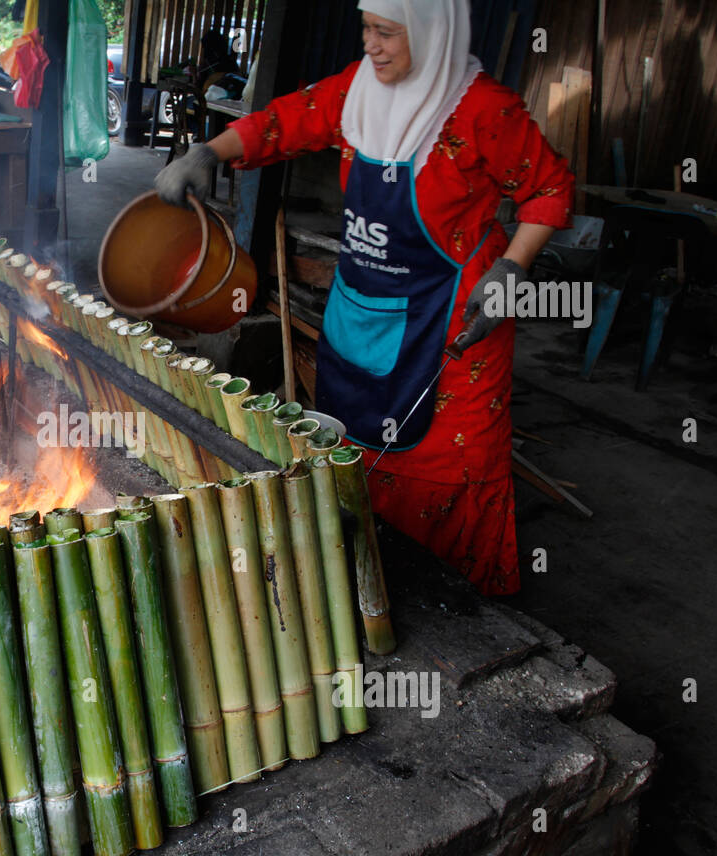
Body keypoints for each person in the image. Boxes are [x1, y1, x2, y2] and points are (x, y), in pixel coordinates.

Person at [154, 0, 574, 596]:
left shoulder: (483, 109)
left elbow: (549, 186)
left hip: (453, 323)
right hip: (365, 307)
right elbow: (285, 120)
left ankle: (456, 605)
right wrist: (209, 152)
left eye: (386, 33)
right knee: (350, 449)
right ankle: (364, 586)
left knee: (443, 468)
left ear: (431, 34)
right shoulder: (358, 89)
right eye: (365, 30)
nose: (371, 45)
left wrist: (512, 267)